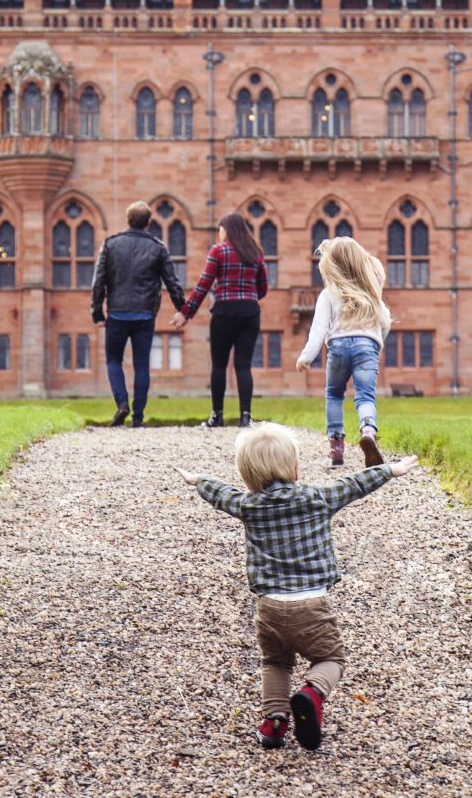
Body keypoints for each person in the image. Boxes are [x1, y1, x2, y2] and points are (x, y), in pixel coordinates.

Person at [176, 423, 418, 751]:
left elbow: (221, 494)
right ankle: (312, 694)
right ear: (294, 467)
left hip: (270, 608)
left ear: (248, 473)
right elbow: (353, 484)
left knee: (275, 663)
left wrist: (198, 480)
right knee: (331, 659)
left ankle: (273, 722)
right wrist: (390, 469)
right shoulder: (317, 497)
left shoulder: (249, 505)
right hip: (312, 607)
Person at [295, 236, 390, 468]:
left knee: (334, 395)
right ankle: (368, 430)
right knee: (365, 396)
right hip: (367, 346)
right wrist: (377, 342)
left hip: (337, 348)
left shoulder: (328, 294)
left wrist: (306, 356)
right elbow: (385, 321)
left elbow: (318, 329)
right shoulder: (370, 292)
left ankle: (336, 450)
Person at [91, 201, 186, 427]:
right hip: (144, 315)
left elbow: (98, 282)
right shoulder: (158, 247)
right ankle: (138, 418)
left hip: (117, 314)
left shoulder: (110, 244)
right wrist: (183, 308)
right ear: (149, 222)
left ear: (128, 220)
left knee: (114, 360)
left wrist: (97, 313)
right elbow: (172, 282)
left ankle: (122, 403)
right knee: (142, 365)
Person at [174, 213, 269, 428]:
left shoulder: (219, 251)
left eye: (221, 229)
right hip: (250, 313)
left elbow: (203, 285)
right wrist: (248, 298)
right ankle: (246, 416)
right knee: (243, 366)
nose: (219, 233)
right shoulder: (256, 252)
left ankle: (217, 416)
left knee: (219, 365)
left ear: (226, 230)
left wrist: (185, 313)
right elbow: (263, 287)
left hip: (224, 312)